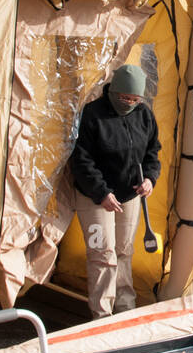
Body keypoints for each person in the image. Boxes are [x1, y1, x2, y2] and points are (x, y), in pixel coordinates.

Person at [69, 63, 161, 318]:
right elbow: (80, 160)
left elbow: (153, 153)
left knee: (124, 251)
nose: (129, 103)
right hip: (94, 197)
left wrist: (151, 179)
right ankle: (102, 315)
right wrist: (101, 193)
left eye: (134, 99)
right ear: (113, 92)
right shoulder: (92, 114)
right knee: (102, 254)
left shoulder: (144, 115)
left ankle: (125, 310)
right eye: (124, 98)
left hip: (130, 195)